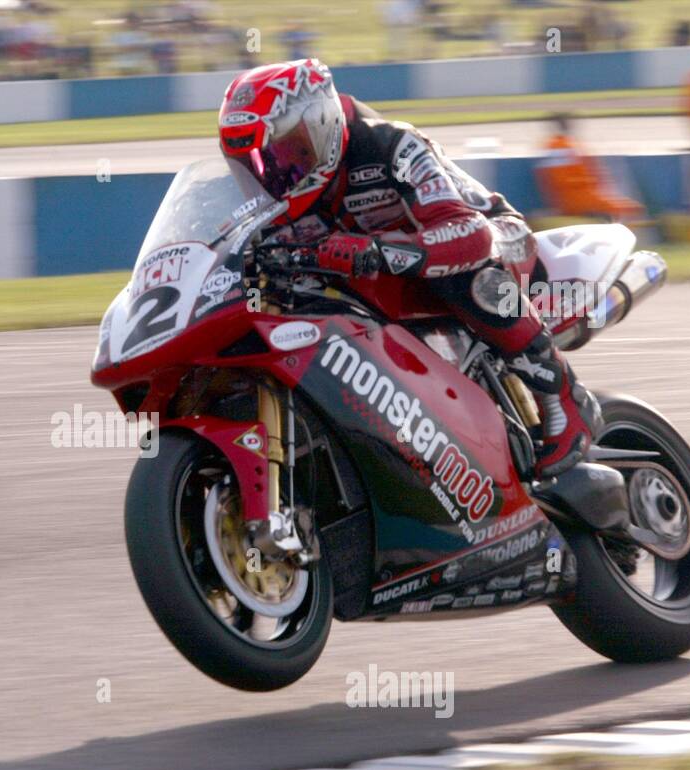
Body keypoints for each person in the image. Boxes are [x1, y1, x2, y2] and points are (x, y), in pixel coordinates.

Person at [218, 59, 600, 479]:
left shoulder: (391, 145)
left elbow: (470, 235)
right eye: (258, 164)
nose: (274, 174)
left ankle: (563, 396)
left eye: (287, 153)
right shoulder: (280, 198)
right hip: (385, 278)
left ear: (321, 123)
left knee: (470, 274)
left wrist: (372, 250)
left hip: (490, 237)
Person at [537, 113, 645, 223]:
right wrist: (589, 181)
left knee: (630, 208)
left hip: (585, 196)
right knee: (629, 209)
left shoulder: (568, 144)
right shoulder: (558, 146)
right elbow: (560, 180)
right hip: (576, 199)